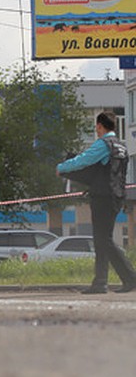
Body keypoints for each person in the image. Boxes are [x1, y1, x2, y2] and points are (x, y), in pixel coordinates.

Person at [57, 110, 136, 294]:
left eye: (96, 127)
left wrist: (62, 167)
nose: (96, 130)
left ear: (100, 126)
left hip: (103, 196)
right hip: (117, 195)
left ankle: (130, 278)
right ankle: (100, 282)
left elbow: (84, 160)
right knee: (101, 239)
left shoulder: (104, 144)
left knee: (103, 239)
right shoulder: (122, 146)